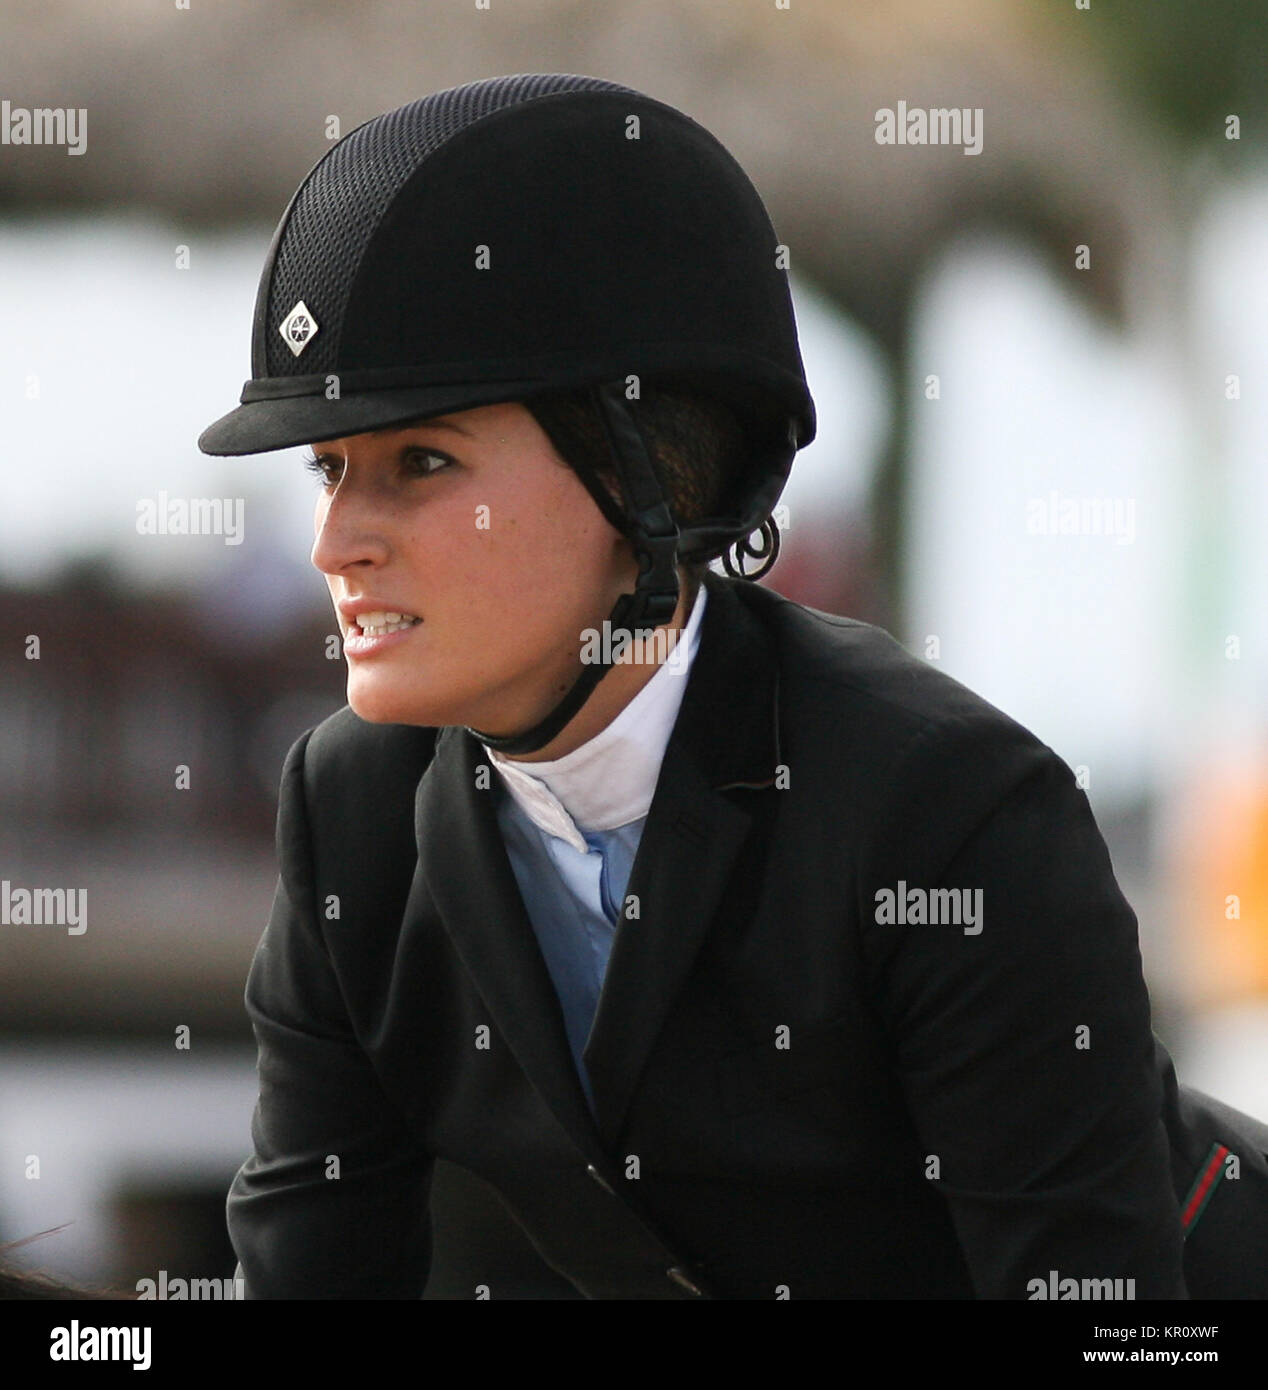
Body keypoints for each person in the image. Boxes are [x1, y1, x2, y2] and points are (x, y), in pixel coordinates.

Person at [198, 73, 1268, 1299]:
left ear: (640, 476)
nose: (337, 544)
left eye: (420, 461)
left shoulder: (948, 809)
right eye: (329, 470)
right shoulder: (348, 811)